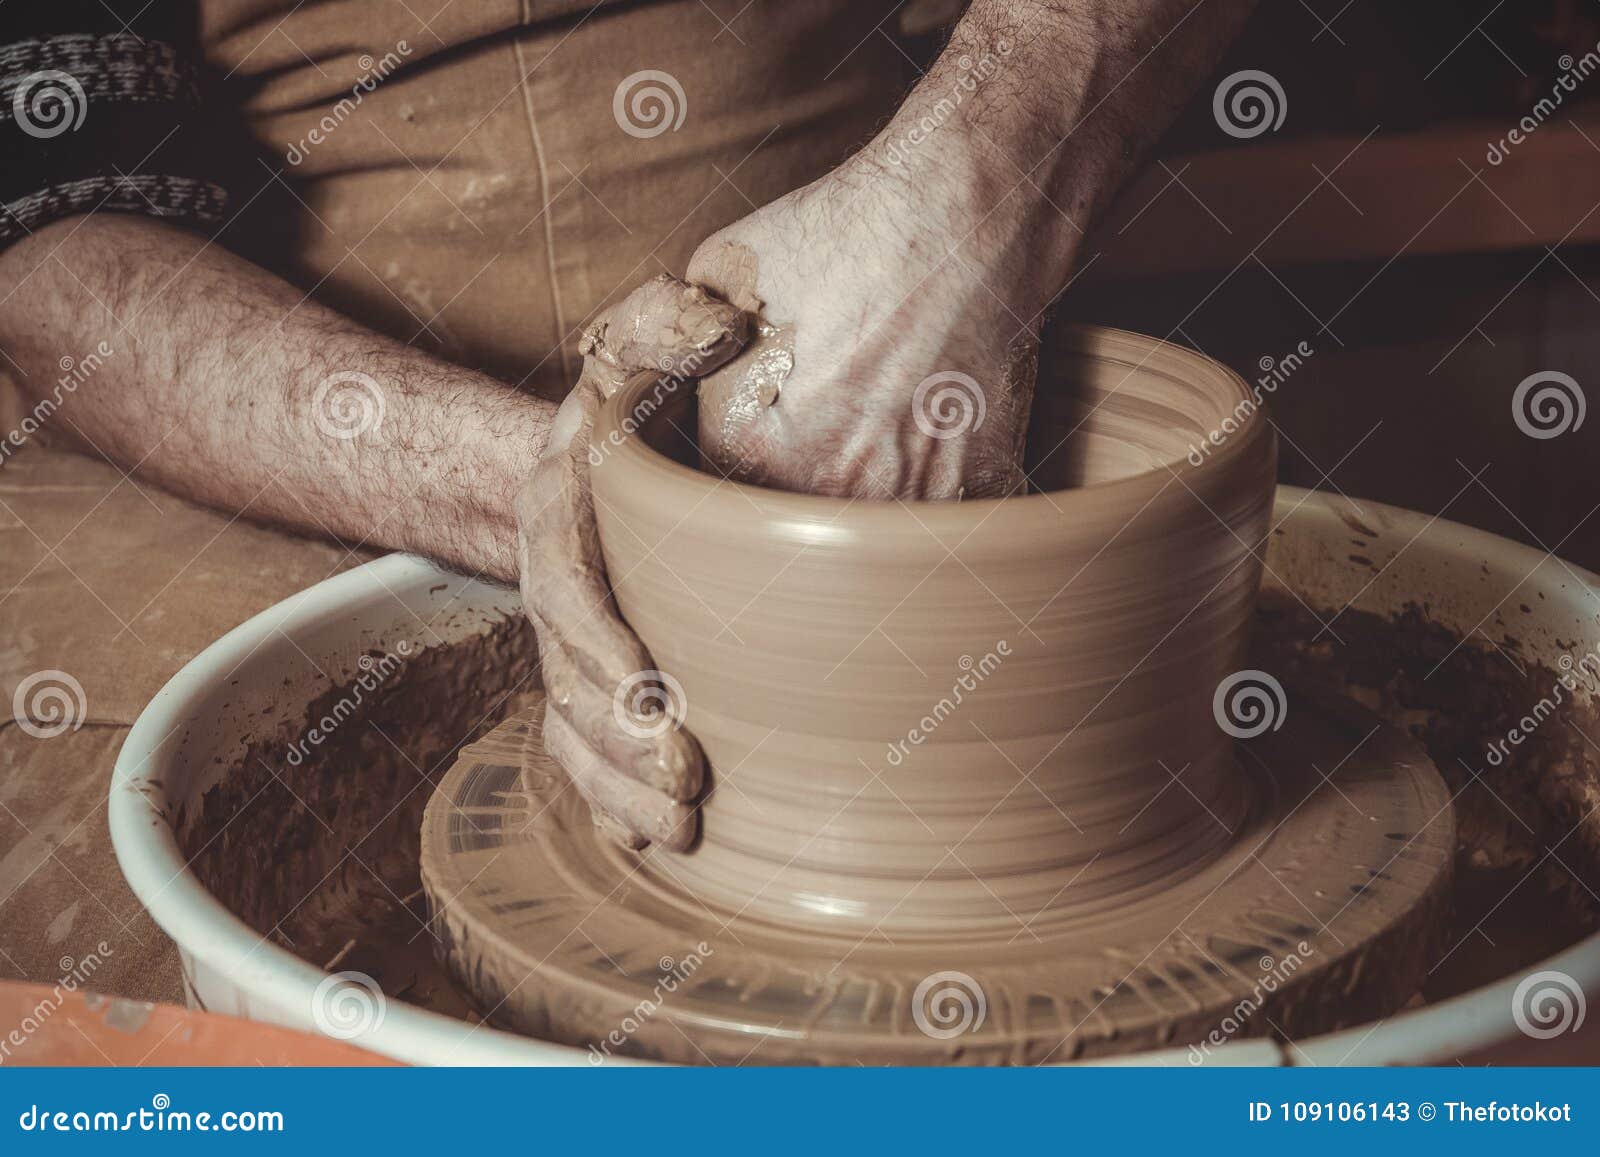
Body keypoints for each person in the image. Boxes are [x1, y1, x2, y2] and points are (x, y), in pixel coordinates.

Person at [0, 0, 1254, 989]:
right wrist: (564, 489)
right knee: (235, 891)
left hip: (872, 329)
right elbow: (48, 240)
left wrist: (976, 183)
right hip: (285, 431)